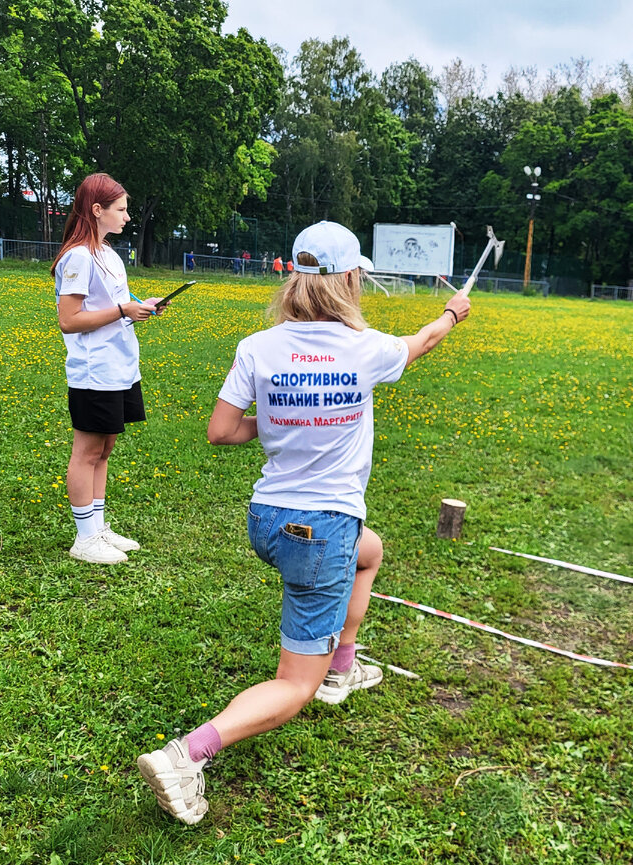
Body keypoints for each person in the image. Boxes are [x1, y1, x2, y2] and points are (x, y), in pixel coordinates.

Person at [137, 221, 471, 824]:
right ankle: (187, 754)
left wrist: (281, 424)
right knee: (295, 686)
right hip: (321, 531)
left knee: (369, 552)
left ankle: (342, 667)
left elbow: (221, 431)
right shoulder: (364, 347)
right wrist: (451, 315)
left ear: (295, 276)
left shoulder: (257, 347)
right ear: (349, 280)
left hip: (267, 520)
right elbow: (419, 342)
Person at [52, 173, 161, 564]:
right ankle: (84, 539)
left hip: (120, 366)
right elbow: (69, 319)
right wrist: (122, 310)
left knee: (106, 447)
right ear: (97, 211)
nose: (128, 217)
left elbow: (116, 306)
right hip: (93, 370)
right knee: (87, 450)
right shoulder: (79, 256)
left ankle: (98, 528)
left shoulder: (109, 254)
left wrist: (139, 306)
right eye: (121, 209)